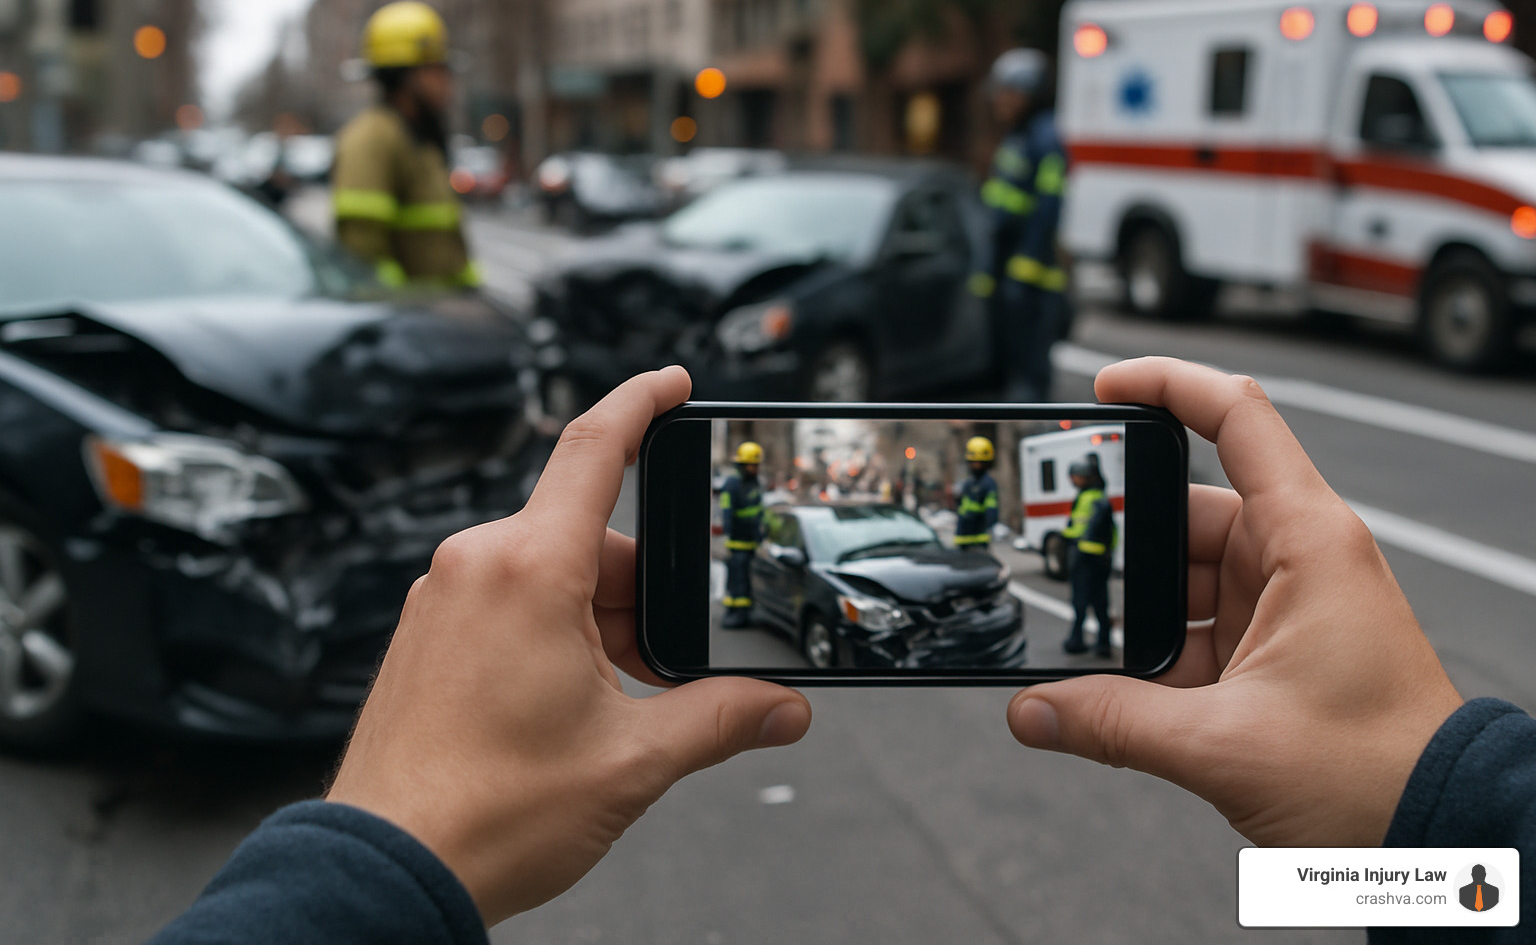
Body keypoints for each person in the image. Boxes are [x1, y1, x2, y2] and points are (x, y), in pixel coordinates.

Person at [149, 359, 1535, 944]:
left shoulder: (941, 513)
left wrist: (375, 856)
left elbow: (1460, 896)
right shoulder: (787, 519)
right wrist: (1437, 827)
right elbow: (1463, 897)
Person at [331, 1, 478, 289]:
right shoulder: (371, 140)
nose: (447, 83)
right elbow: (363, 258)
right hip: (410, 324)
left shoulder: (419, 139)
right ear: (406, 77)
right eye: (437, 70)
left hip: (439, 320)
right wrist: (407, 310)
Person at [976, 47, 1069, 402]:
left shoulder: (1045, 140)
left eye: (1006, 92)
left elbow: (1048, 209)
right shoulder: (1015, 137)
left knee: (1030, 377)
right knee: (1005, 370)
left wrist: (1023, 269)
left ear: (1027, 93)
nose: (998, 100)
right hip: (1007, 269)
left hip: (1032, 279)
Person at [1060, 456, 1116, 657]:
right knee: (1101, 601)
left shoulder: (1086, 498)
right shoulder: (1101, 496)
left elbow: (1079, 529)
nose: (1072, 480)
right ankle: (1103, 644)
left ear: (1084, 477)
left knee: (1080, 600)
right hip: (1100, 558)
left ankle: (1076, 640)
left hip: (1084, 557)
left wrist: (1065, 536)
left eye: (1074, 476)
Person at [718, 441, 764, 629]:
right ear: (742, 465)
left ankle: (741, 612)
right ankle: (736, 614)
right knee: (738, 579)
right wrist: (727, 535)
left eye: (756, 465)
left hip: (752, 542)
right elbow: (727, 511)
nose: (754, 469)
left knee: (745, 579)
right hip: (737, 543)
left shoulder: (755, 484)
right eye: (751, 465)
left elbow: (759, 511)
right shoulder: (732, 485)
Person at [953, 435, 999, 550]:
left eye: (979, 462)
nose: (975, 465)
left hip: (978, 541)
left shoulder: (988, 484)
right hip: (962, 539)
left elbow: (991, 512)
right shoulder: (968, 482)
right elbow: (962, 506)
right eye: (973, 461)